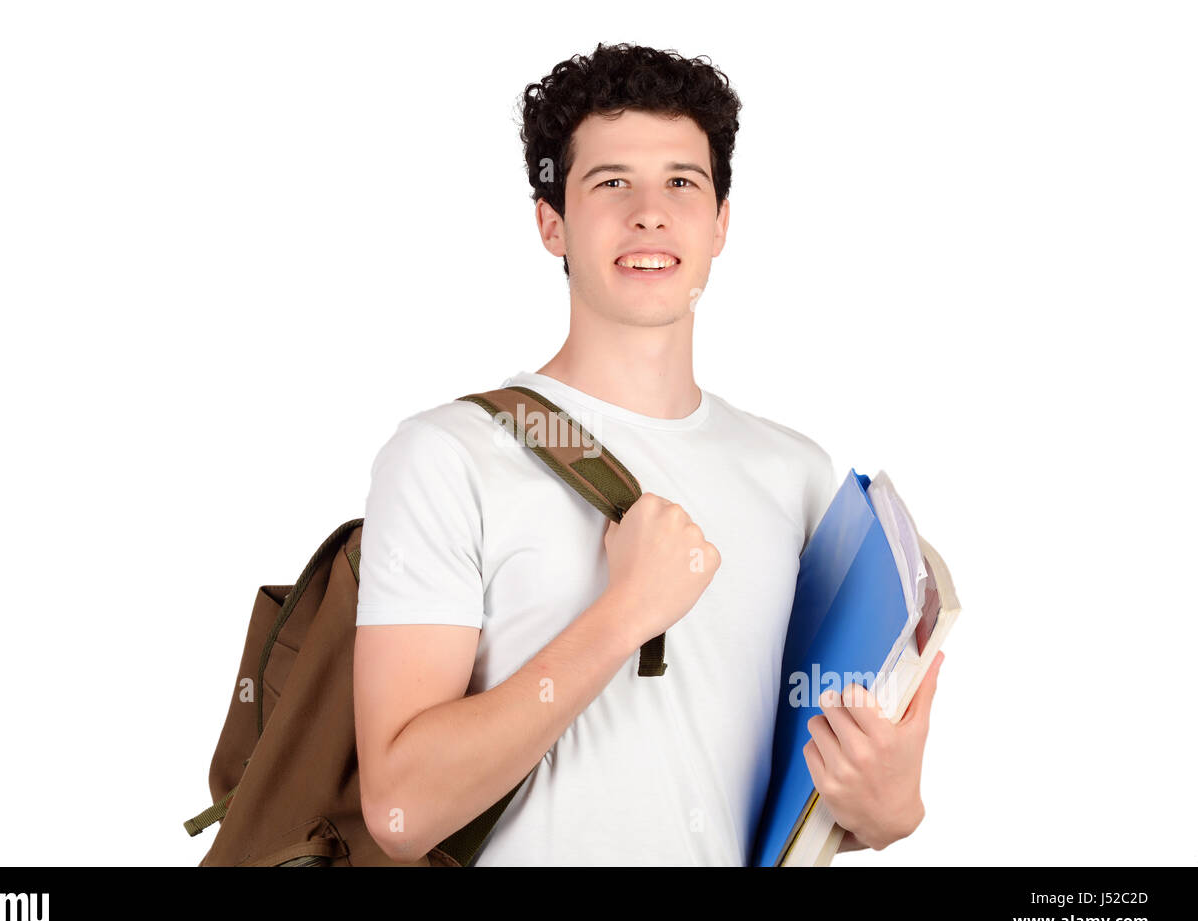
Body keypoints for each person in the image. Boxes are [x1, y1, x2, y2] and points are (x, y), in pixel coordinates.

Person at [352, 42, 942, 865]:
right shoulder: (448, 457)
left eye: (681, 183)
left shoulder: (797, 476)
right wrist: (626, 611)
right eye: (610, 182)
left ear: (721, 222)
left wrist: (887, 809)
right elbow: (399, 809)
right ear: (550, 221)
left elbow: (806, 791)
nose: (650, 212)